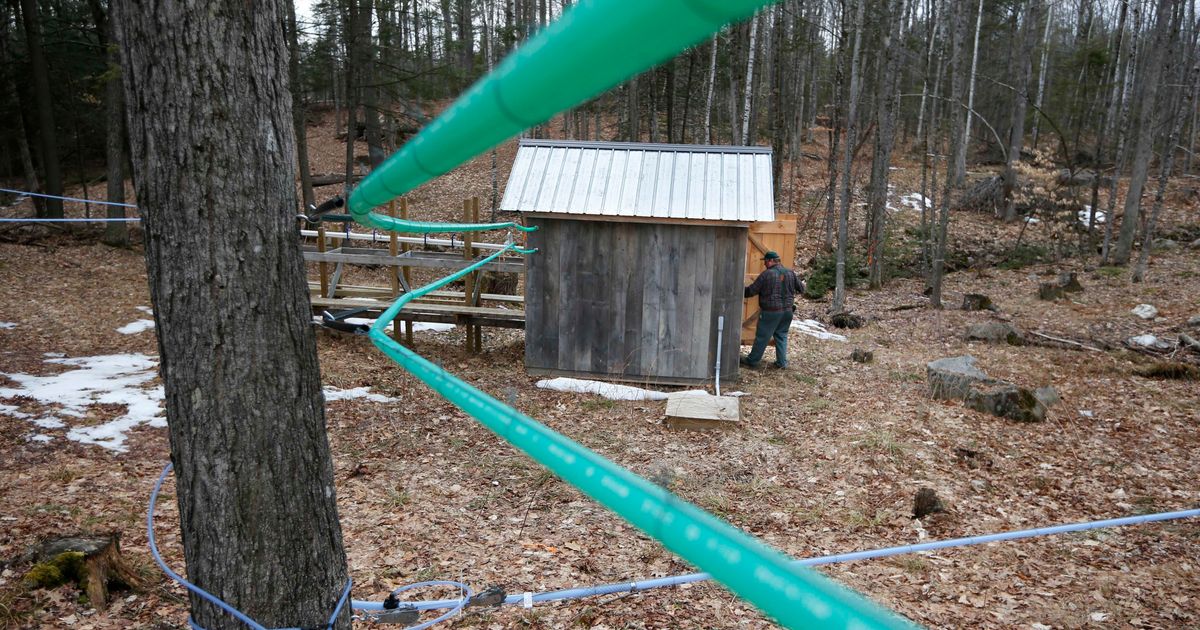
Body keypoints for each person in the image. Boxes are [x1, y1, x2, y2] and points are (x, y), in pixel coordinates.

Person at [742, 251, 804, 369]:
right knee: (781, 336)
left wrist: (738, 288)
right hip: (787, 311)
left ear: (770, 261)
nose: (764, 264)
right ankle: (782, 363)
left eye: (765, 261)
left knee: (762, 337)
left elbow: (751, 291)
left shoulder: (766, 275)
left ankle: (752, 361)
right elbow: (801, 288)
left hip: (771, 312)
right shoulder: (790, 273)